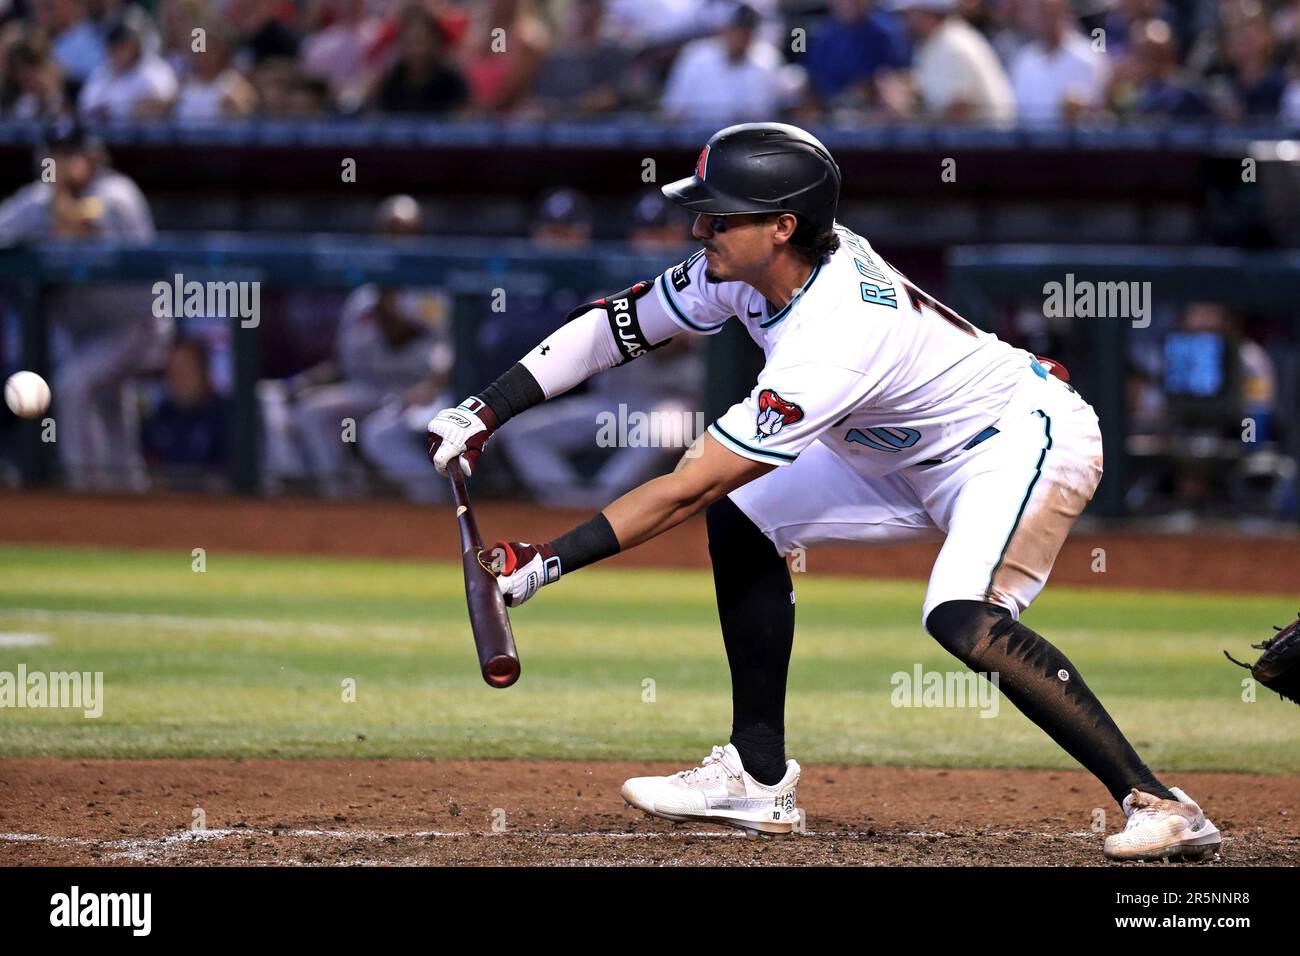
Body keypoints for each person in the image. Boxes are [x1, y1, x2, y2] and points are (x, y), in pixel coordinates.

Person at [425, 122, 1222, 861]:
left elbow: (683, 488)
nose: (700, 230)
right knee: (744, 522)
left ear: (781, 227)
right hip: (890, 449)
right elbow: (613, 328)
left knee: (962, 618)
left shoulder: (833, 337)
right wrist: (486, 408)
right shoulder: (746, 271)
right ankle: (756, 775)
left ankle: (1160, 803)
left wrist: (543, 564)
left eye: (719, 217)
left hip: (1012, 443)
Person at [0, 119, 165, 490]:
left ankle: (84, 490)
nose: (63, 162)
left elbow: (75, 225)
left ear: (93, 156)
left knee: (73, 386)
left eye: (72, 154)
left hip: (135, 325)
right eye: (56, 155)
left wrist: (54, 187)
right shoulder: (37, 199)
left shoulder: (117, 193)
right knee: (109, 409)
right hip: (86, 331)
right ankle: (128, 494)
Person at [894, 0, 1016, 123]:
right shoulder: (934, 42)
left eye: (908, 13)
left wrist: (904, 116)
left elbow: (958, 111)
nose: (903, 21)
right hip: (974, 138)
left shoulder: (953, 43)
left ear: (927, 13)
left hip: (991, 138)